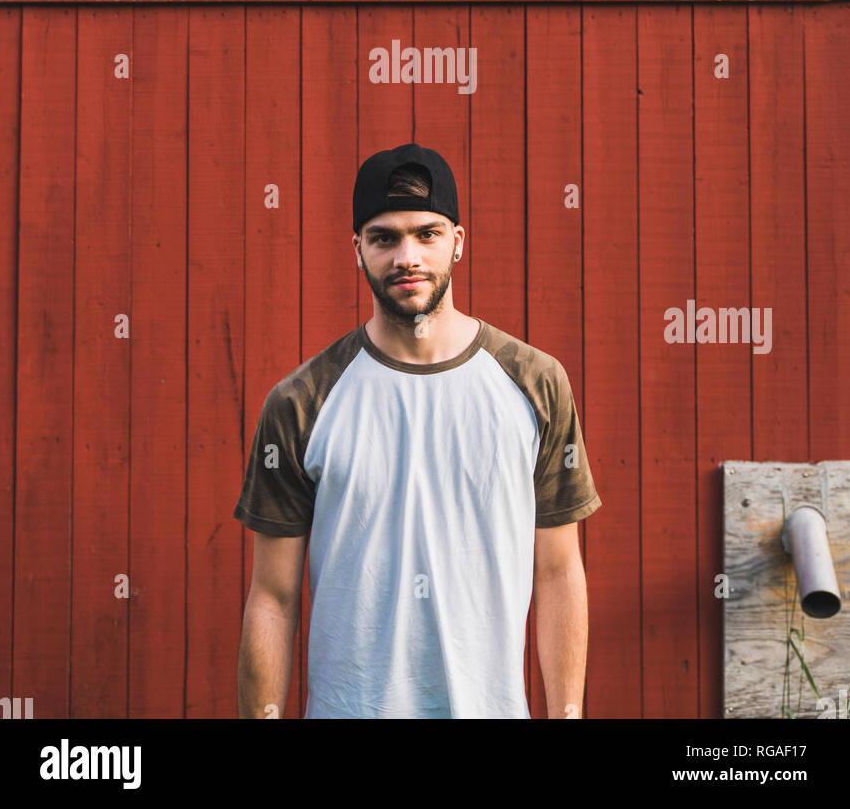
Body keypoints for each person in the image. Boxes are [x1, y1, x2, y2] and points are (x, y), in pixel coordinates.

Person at [234, 142, 601, 719]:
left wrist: (568, 714)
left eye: (426, 233)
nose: (407, 255)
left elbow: (558, 571)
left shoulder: (535, 383)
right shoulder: (301, 401)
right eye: (384, 238)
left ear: (458, 240)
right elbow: (272, 599)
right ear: (357, 250)